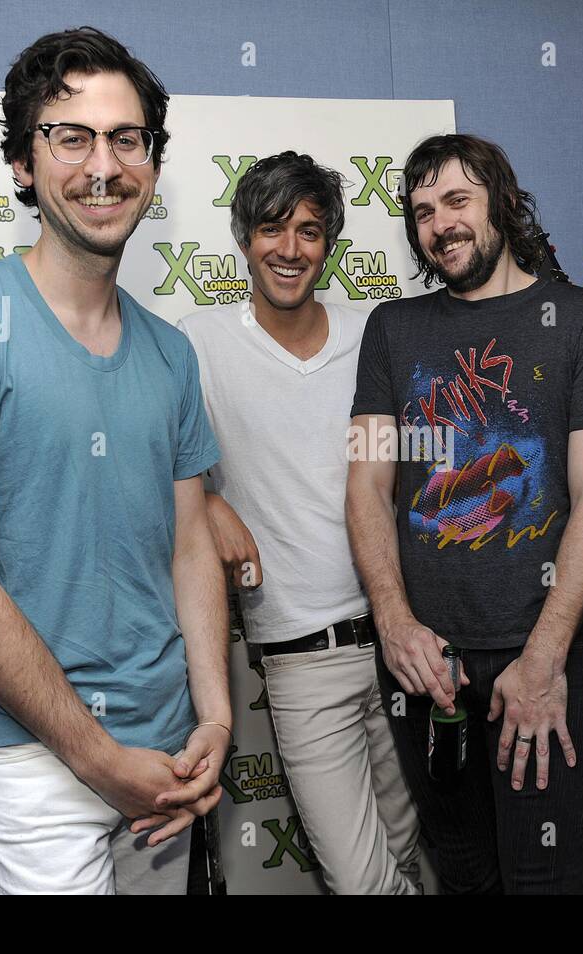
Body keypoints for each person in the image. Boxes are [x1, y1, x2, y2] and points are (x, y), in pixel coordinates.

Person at [0, 27, 229, 894]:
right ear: (25, 164)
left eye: (126, 138)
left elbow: (188, 548)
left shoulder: (172, 354)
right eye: (72, 137)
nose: (102, 165)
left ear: (151, 161)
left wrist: (214, 716)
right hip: (34, 761)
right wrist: (99, 757)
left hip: (169, 754)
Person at [346, 133, 583, 893]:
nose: (439, 223)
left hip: (535, 660)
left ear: (500, 204)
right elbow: (367, 486)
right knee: (464, 872)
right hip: (426, 669)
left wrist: (542, 661)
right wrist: (395, 623)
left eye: (456, 201)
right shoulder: (392, 329)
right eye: (421, 211)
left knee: (543, 878)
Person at [179, 151, 421, 894]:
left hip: (404, 644)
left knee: (418, 855)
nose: (290, 249)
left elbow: (400, 475)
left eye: (310, 231)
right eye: (271, 228)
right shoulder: (198, 342)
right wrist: (207, 502)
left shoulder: (374, 334)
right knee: (362, 880)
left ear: (331, 244)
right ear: (244, 237)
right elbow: (138, 454)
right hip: (299, 658)